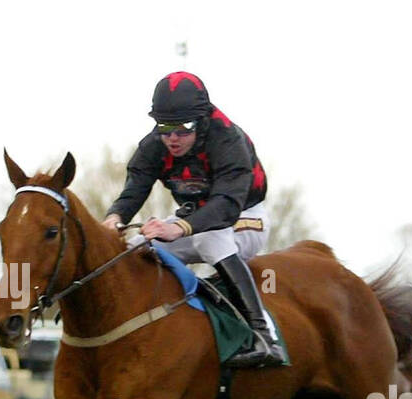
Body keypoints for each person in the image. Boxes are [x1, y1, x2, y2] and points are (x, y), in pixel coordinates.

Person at [102, 71, 286, 368]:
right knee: (136, 249)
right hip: (193, 216)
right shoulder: (154, 144)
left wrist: (177, 228)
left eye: (183, 128)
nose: (172, 138)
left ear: (201, 121)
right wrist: (114, 218)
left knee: (208, 237)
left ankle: (264, 336)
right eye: (164, 127)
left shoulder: (228, 139)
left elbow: (226, 204)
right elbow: (136, 186)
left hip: (244, 217)